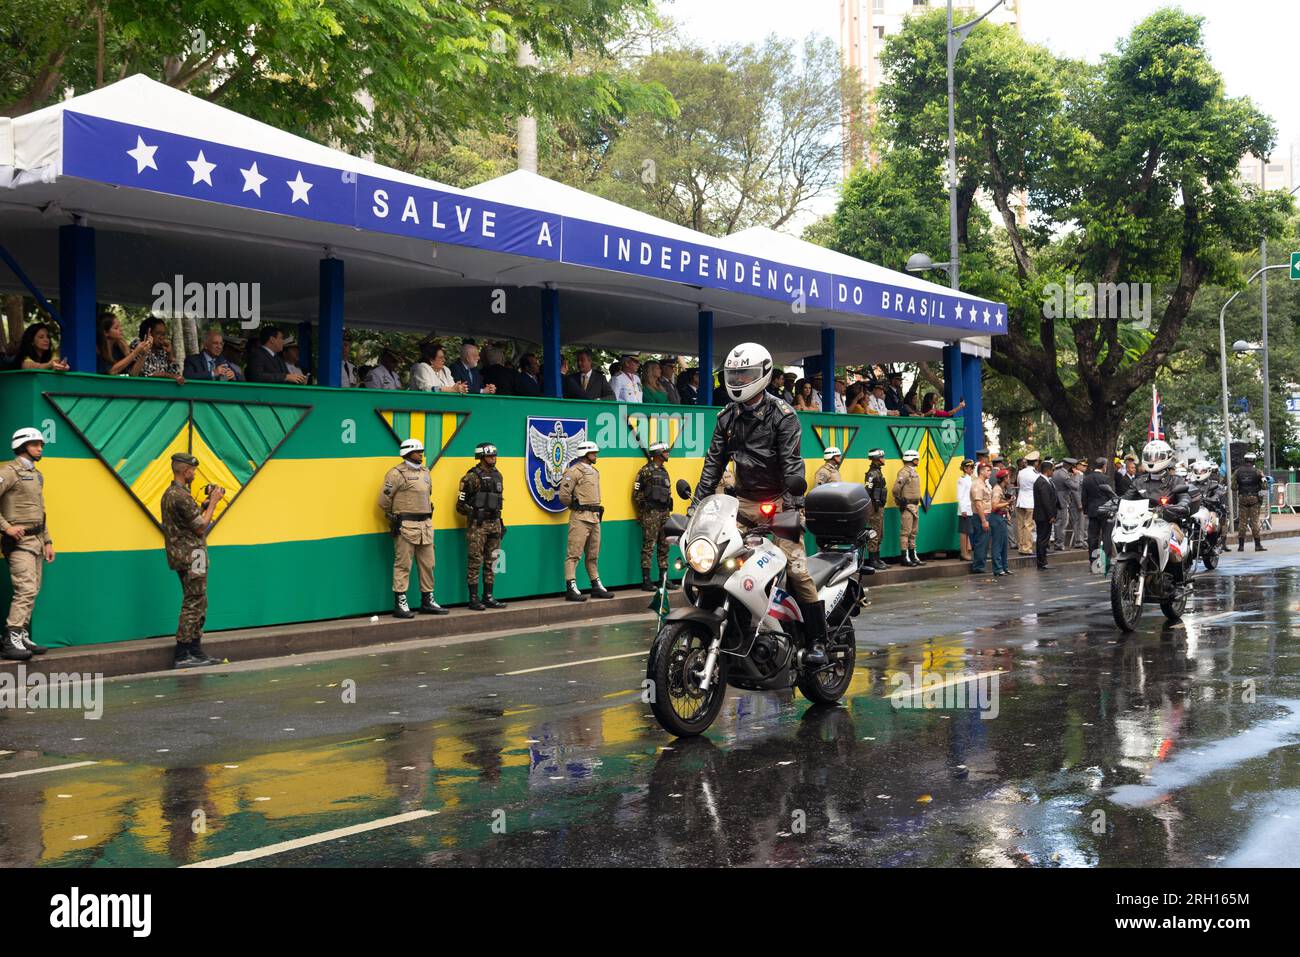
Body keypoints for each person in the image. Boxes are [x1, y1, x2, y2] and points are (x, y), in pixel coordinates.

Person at [692, 342, 828, 665]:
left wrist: (794, 506)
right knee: (714, 560)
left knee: (796, 570)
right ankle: (735, 632)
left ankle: (817, 641)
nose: (739, 381)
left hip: (780, 502)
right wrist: (696, 507)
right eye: (735, 375)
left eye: (746, 374)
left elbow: (793, 465)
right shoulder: (726, 417)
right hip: (741, 503)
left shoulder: (783, 415)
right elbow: (713, 464)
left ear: (764, 374)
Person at [160, 452, 225, 668]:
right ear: (185, 471)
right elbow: (200, 526)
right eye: (193, 470)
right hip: (192, 555)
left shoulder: (172, 494)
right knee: (194, 601)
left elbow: (190, 520)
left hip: (184, 554)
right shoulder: (180, 496)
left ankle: (195, 651)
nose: (194, 473)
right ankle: (184, 653)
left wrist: (204, 506)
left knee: (198, 599)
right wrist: (214, 502)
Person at [1, 427, 55, 661]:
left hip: (36, 540)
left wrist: (48, 541)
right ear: (22, 446)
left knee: (33, 589)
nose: (40, 448)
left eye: (41, 445)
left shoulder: (37, 474)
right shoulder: (9, 471)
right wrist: (6, 527)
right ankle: (10, 638)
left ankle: (21, 635)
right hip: (18, 542)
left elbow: (40, 512)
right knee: (26, 589)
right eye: (35, 445)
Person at [378, 438, 447, 619]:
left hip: (425, 525)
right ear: (407, 453)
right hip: (405, 526)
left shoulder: (425, 471)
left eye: (422, 451)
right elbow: (384, 501)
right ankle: (401, 602)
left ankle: (427, 600)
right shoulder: (395, 474)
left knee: (428, 564)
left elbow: (428, 493)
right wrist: (397, 516)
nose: (421, 454)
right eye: (418, 451)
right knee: (403, 565)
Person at [558, 441, 613, 601]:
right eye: (593, 453)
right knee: (573, 554)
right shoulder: (574, 471)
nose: (596, 456)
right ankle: (571, 587)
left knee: (593, 554)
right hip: (580, 518)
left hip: (595, 518)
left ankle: (595, 585)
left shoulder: (594, 471)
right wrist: (575, 506)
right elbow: (564, 495)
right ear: (585, 454)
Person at [457, 442, 506, 611]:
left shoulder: (498, 476)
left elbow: (498, 502)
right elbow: (460, 505)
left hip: (495, 523)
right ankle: (473, 598)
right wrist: (474, 513)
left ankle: (488, 596)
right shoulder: (471, 477)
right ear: (481, 457)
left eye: (494, 455)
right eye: (490, 455)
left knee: (492, 561)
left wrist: (500, 522)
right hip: (477, 525)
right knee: (475, 561)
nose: (493, 458)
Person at [633, 441, 676, 592]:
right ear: (657, 454)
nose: (667, 454)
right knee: (649, 546)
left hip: (664, 513)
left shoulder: (664, 471)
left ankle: (663, 579)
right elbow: (636, 493)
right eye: (665, 451)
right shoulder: (645, 471)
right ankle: (646, 580)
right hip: (650, 514)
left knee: (665, 546)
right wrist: (645, 511)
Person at [1081, 456, 1116, 562]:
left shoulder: (1087, 478)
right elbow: (1112, 495)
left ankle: (1093, 559)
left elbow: (1084, 496)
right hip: (1106, 510)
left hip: (1092, 511)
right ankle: (1106, 560)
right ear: (1104, 466)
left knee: (1092, 537)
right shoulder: (1106, 479)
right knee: (1106, 536)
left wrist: (1085, 510)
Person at [893, 449, 924, 567]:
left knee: (914, 532)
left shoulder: (913, 472)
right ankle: (904, 557)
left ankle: (913, 555)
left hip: (915, 505)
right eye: (917, 458)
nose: (918, 461)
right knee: (905, 532)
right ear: (912, 459)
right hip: (908, 506)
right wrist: (900, 501)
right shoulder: (904, 473)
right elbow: (895, 489)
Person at [1232, 452, 1267, 552]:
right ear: (1253, 460)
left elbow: (1233, 487)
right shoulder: (1258, 472)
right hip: (1254, 499)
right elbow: (1265, 486)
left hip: (1242, 498)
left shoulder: (1237, 472)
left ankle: (1241, 546)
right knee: (1254, 522)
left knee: (1242, 522)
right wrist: (1260, 495)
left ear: (1245, 460)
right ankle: (1257, 545)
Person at [133, 317, 185, 382]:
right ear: (149, 333)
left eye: (163, 334)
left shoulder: (162, 350)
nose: (162, 337)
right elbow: (148, 373)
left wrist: (170, 355)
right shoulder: (138, 344)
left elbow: (178, 375)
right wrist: (171, 376)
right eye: (158, 333)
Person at [863, 448, 888, 570]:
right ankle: (872, 560)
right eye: (882, 457)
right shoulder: (872, 474)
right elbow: (868, 490)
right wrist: (874, 504)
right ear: (877, 459)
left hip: (879, 507)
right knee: (874, 533)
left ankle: (877, 558)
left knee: (880, 533)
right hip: (874, 507)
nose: (884, 459)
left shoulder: (878, 472)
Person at [1032, 459, 1060, 570]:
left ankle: (1043, 560)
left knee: (1044, 538)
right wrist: (1051, 515)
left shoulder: (1046, 481)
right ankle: (1041, 562)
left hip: (1044, 515)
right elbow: (1046, 501)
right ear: (1047, 470)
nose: (1053, 472)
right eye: (1052, 470)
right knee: (1042, 539)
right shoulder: (1041, 482)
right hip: (1043, 516)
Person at [988, 467, 1013, 576]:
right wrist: (1007, 503)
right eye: (1008, 477)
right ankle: (998, 569)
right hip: (996, 517)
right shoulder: (997, 489)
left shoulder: (1003, 490)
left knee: (1004, 544)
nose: (1010, 479)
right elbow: (994, 506)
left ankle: (1004, 567)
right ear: (1005, 479)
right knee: (998, 544)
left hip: (1001, 517)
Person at [969, 462, 992, 574]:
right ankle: (978, 566)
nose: (990, 473)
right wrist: (983, 520)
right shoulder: (977, 484)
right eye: (987, 470)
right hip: (980, 515)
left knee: (985, 541)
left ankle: (981, 564)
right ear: (981, 471)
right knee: (981, 541)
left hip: (986, 514)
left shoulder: (984, 483)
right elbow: (978, 504)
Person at [1016, 451, 1040, 555]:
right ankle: (1027, 548)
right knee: (1028, 526)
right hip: (1030, 502)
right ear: (1036, 462)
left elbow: (1018, 484)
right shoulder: (1035, 474)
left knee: (1020, 525)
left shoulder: (1021, 472)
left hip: (1020, 500)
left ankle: (1021, 546)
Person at [1051, 458, 1074, 550]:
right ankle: (1059, 544)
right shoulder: (1064, 475)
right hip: (1062, 501)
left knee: (1058, 522)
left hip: (1055, 500)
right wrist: (1076, 476)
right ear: (1070, 466)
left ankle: (1058, 543)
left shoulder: (1055, 472)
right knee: (1062, 523)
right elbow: (1074, 486)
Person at [957, 458, 974, 561]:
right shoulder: (962, 480)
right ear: (965, 468)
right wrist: (963, 509)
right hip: (965, 509)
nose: (972, 469)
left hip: (970, 508)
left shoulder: (970, 479)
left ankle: (967, 551)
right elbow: (960, 496)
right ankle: (963, 552)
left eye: (972, 467)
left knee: (967, 531)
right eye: (970, 468)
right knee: (964, 532)